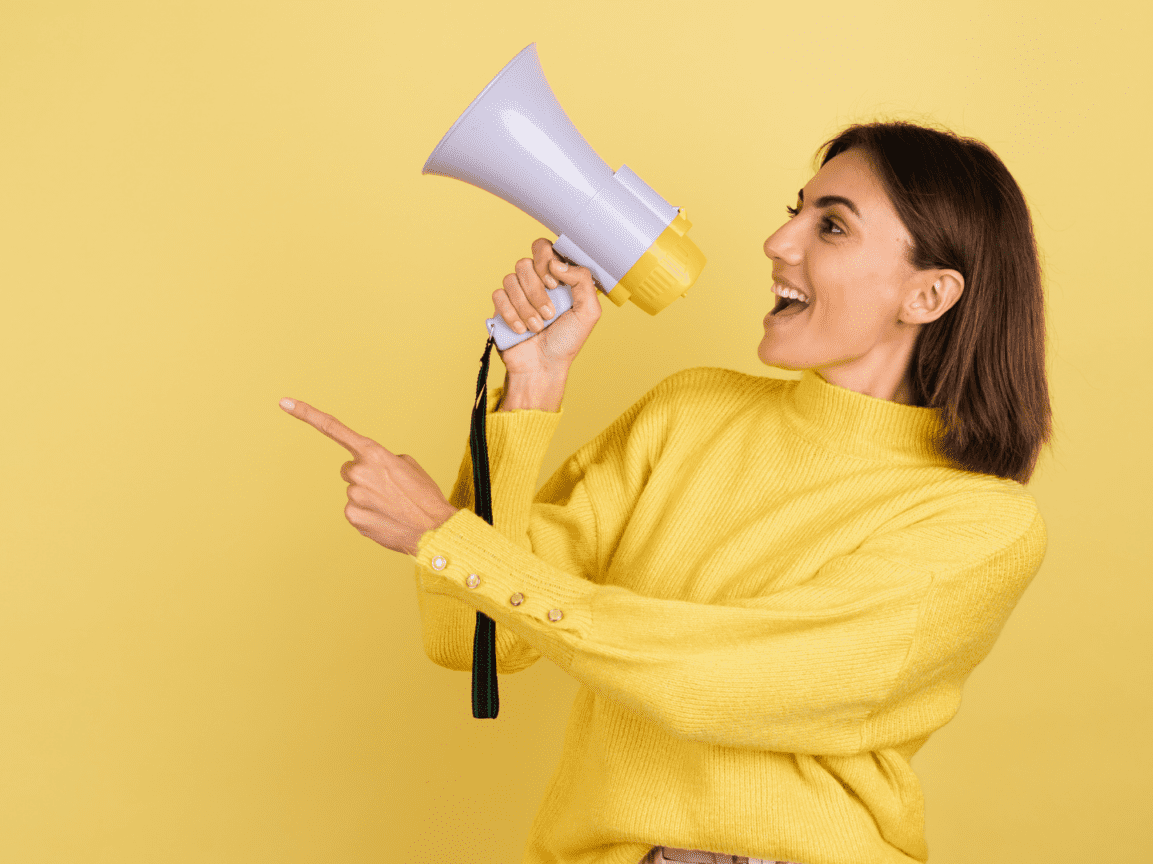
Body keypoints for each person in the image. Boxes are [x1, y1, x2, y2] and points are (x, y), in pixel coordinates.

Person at [283, 120, 1051, 864]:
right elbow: (478, 639)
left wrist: (447, 537)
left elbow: (717, 681)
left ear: (928, 295)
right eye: (796, 211)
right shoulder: (690, 411)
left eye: (832, 226)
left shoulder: (980, 523)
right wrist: (531, 391)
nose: (778, 241)